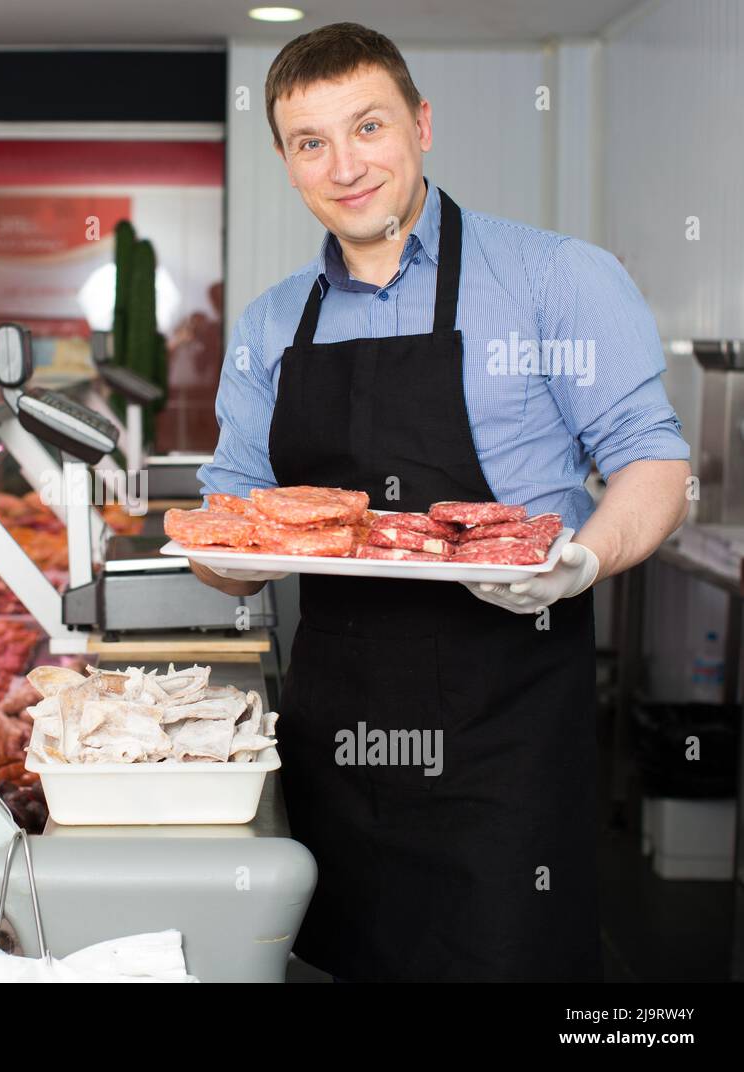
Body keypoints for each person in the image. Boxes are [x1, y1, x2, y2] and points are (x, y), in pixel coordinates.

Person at [194, 23, 691, 982]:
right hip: (336, 727)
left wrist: (581, 561)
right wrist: (230, 558)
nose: (345, 166)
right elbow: (228, 514)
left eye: (368, 126)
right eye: (311, 142)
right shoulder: (269, 324)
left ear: (421, 124)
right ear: (287, 162)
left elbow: (654, 464)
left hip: (506, 724)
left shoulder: (555, 278)